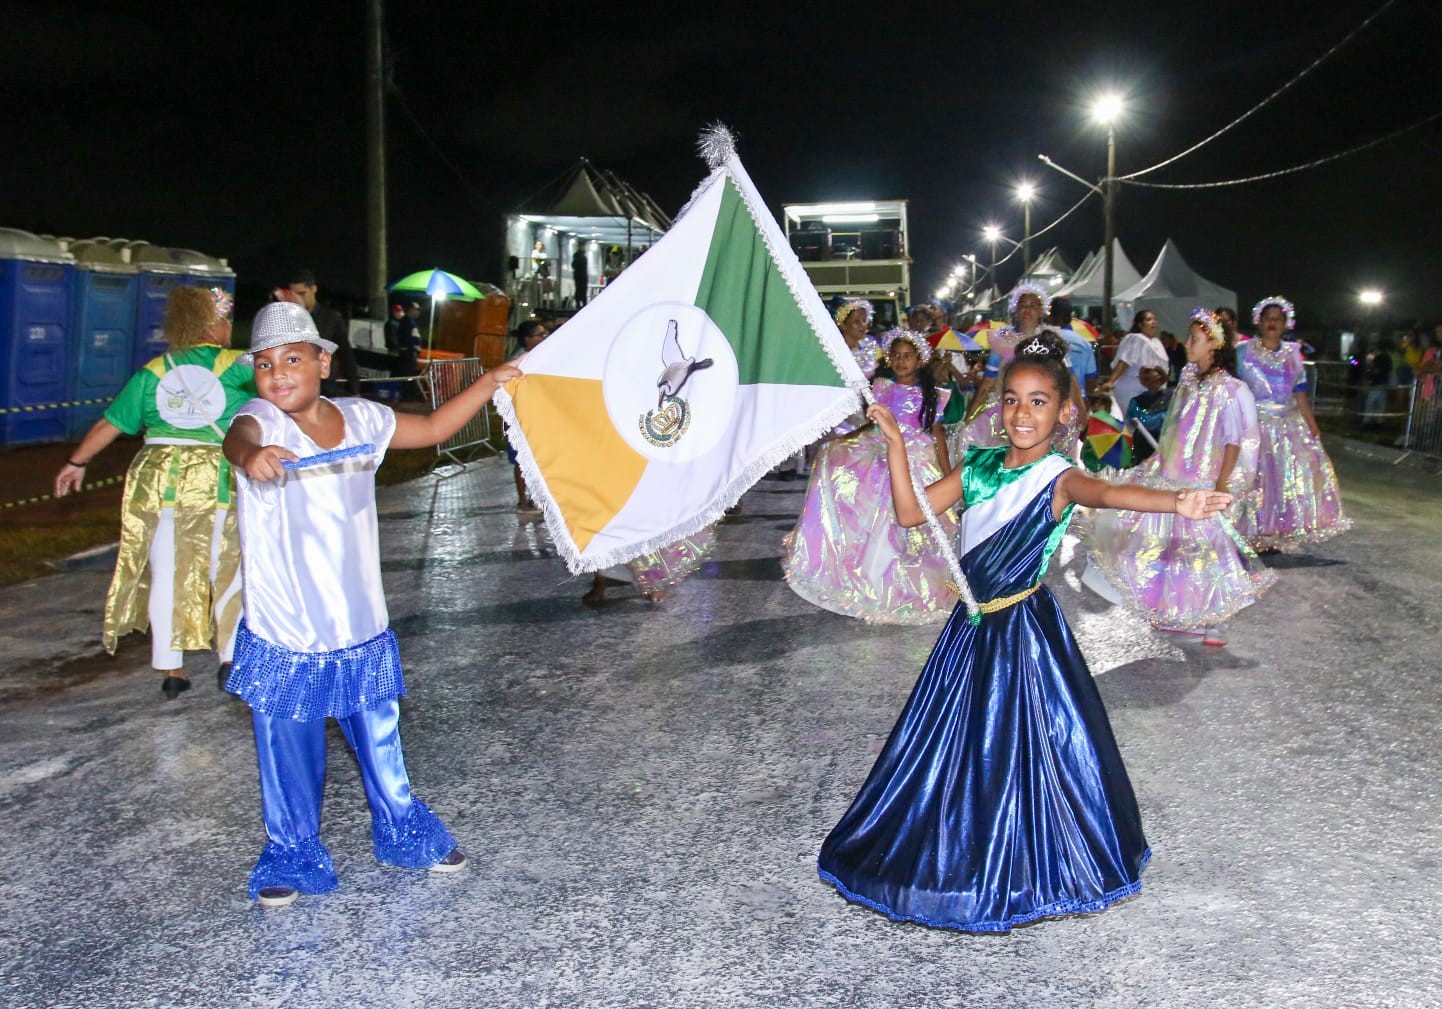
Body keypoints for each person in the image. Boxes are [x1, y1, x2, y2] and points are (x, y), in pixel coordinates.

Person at [817, 330, 1233, 932]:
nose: (1021, 413)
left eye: (1039, 402)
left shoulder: (1061, 476)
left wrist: (1178, 504)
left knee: (1030, 745)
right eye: (1012, 399)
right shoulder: (979, 465)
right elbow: (911, 514)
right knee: (952, 743)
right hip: (968, 627)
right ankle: (956, 840)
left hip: (1026, 633)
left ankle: (1025, 856)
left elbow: (1110, 491)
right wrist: (895, 448)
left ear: (1064, 411)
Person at [222, 301, 522, 907]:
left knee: (379, 732)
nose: (277, 374)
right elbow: (240, 436)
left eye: (292, 359)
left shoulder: (362, 419)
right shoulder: (261, 420)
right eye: (264, 364)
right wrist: (250, 458)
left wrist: (491, 381)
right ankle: (292, 848)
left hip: (356, 613)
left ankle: (401, 829)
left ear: (323, 362)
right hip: (289, 621)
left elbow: (435, 429)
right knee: (287, 738)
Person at [55, 286, 252, 700]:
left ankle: (171, 669)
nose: (229, 329)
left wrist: (76, 463)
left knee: (166, 570)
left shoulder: (153, 371)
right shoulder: (238, 365)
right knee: (227, 565)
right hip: (217, 478)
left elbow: (110, 423)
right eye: (226, 322)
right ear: (213, 324)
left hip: (158, 481)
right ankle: (231, 659)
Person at [1084, 311, 1276, 646]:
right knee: (1171, 546)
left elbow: (1233, 441)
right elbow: (1176, 430)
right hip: (1175, 476)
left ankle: (1218, 618)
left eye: (1194, 339)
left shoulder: (1230, 390)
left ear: (1214, 345)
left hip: (1204, 480)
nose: (1186, 344)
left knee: (1210, 552)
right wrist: (1158, 462)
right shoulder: (1188, 381)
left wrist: (1221, 487)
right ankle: (1180, 609)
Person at [782, 329, 957, 623]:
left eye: (908, 356)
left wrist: (948, 474)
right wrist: (843, 441)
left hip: (915, 459)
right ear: (889, 358)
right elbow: (871, 425)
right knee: (872, 519)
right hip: (878, 453)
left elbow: (935, 434)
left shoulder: (932, 395)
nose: (901, 361)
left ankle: (904, 586)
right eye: (896, 356)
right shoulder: (881, 387)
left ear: (920, 360)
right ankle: (870, 581)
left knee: (911, 522)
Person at [1233, 296, 1351, 551]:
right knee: (1254, 481)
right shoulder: (1243, 352)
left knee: (1281, 482)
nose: (1272, 323)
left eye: (1278, 319)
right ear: (1259, 322)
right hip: (1254, 425)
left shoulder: (1292, 355)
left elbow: (1300, 395)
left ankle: (1274, 532)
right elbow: (1230, 391)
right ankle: (1248, 532)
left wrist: (1313, 427)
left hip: (1287, 428)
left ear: (1287, 324)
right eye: (1268, 318)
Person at [956, 282, 1085, 455]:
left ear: (1042, 310)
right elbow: (988, 382)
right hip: (1006, 409)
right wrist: (969, 417)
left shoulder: (1051, 338)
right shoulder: (1003, 338)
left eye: (1033, 305)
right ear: (1015, 310)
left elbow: (1069, 378)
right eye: (1023, 305)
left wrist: (1081, 411)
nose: (1027, 310)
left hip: (1042, 408)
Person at [287, 269, 360, 397]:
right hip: (293, 388)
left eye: (302, 293)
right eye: (293, 294)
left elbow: (346, 354)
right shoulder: (285, 319)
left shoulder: (331, 318)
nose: (298, 299)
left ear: (313, 289)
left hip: (324, 389)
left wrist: (355, 390)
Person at [508, 319, 548, 511]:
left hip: (536, 415)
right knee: (521, 459)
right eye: (539, 335)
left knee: (537, 458)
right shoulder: (519, 360)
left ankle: (535, 497)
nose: (543, 338)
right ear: (527, 338)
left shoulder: (539, 356)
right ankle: (523, 499)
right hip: (520, 416)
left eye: (544, 334)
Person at [1099, 309, 1170, 416]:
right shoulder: (1135, 338)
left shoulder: (1157, 342)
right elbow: (1124, 361)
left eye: (1154, 319)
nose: (1153, 322)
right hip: (1134, 391)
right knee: (1135, 425)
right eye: (1149, 320)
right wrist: (1111, 381)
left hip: (1153, 391)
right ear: (1140, 324)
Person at [1050, 296, 1099, 395]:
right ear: (1070, 317)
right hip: (1077, 400)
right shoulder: (1084, 343)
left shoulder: (1042, 340)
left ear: (1051, 316)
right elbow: (1091, 377)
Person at [1124, 366, 1172, 465]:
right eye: (1146, 380)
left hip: (1165, 441)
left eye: (1155, 380)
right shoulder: (1137, 401)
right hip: (1143, 444)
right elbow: (1138, 421)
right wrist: (1162, 418)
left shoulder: (1172, 396)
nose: (1151, 383)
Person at [572, 240, 589, 307]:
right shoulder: (577, 255)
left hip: (583, 275)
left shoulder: (583, 255)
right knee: (579, 290)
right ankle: (578, 303)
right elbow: (574, 265)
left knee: (583, 290)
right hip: (579, 276)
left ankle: (583, 303)